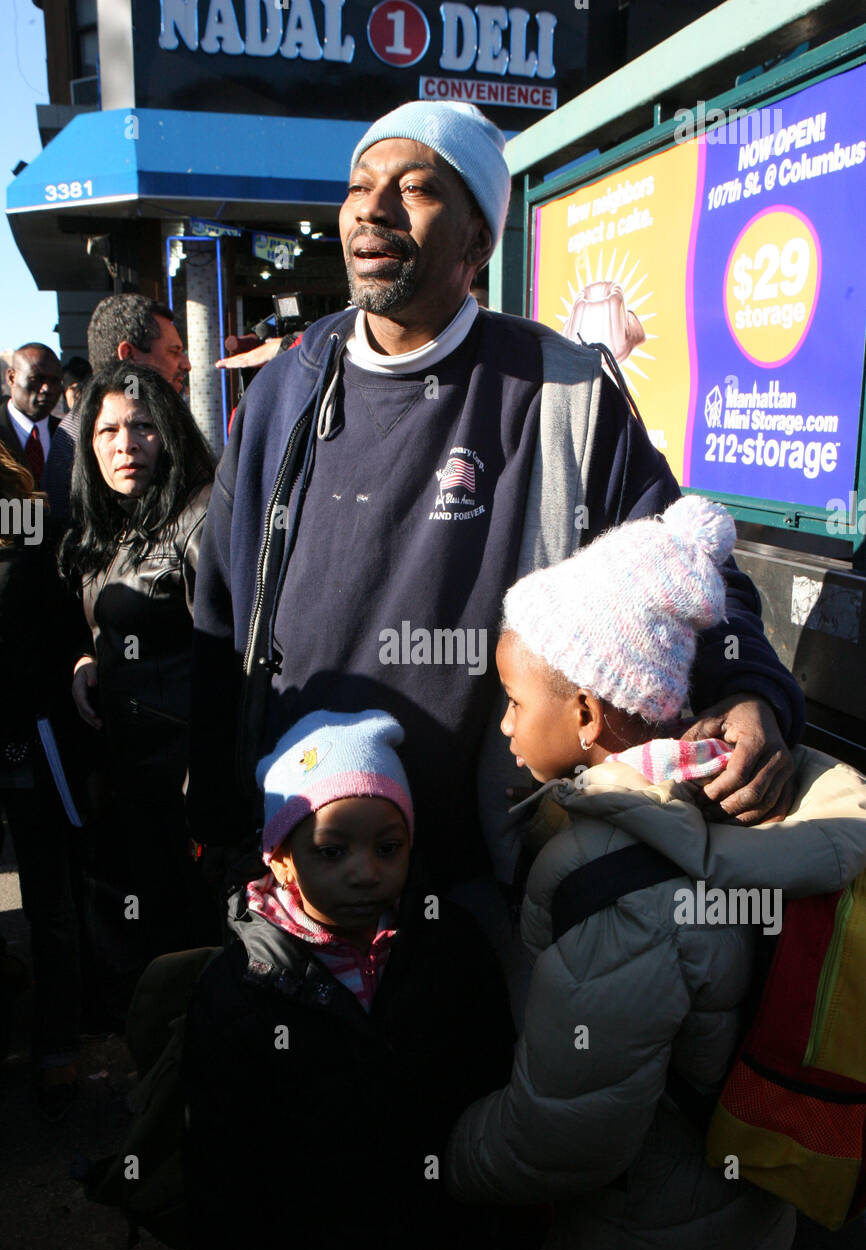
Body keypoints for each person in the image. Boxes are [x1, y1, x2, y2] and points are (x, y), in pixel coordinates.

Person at [190, 99, 804, 902]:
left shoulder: (564, 392)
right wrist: (216, 814)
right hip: (294, 870)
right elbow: (218, 615)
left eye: (414, 189)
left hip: (479, 886)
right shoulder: (287, 389)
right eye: (358, 187)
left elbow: (688, 565)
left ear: (478, 240)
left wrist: (752, 691)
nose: (372, 209)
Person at [445, 495, 866, 1250]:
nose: (502, 725)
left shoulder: (620, 893)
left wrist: (452, 1152)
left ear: (585, 712)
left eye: (513, 701)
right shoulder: (711, 808)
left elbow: (569, 1135)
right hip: (736, 1229)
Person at [182, 709, 516, 1250]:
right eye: (332, 852)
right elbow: (221, 1170)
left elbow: (492, 1076)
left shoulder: (449, 947)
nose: (366, 873)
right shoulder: (239, 990)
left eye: (388, 847)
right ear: (281, 859)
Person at [58, 363, 216, 991]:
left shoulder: (197, 516)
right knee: (154, 944)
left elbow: (228, 657)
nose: (125, 445)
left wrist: (205, 780)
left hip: (188, 785)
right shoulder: (107, 523)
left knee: (198, 946)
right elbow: (105, 617)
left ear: (170, 432)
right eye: (108, 431)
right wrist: (86, 660)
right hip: (132, 779)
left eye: (144, 426)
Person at [0, 444, 83, 1118]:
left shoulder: (31, 524)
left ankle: (57, 1045)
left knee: (48, 902)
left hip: (27, 742)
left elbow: (66, 631)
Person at [44, 297, 191, 518]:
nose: (185, 364)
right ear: (129, 355)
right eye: (173, 351)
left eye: (143, 427)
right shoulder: (74, 440)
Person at [0, 344, 62, 487]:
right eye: (36, 379)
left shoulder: (70, 436)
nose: (47, 389)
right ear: (11, 377)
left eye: (55, 381)